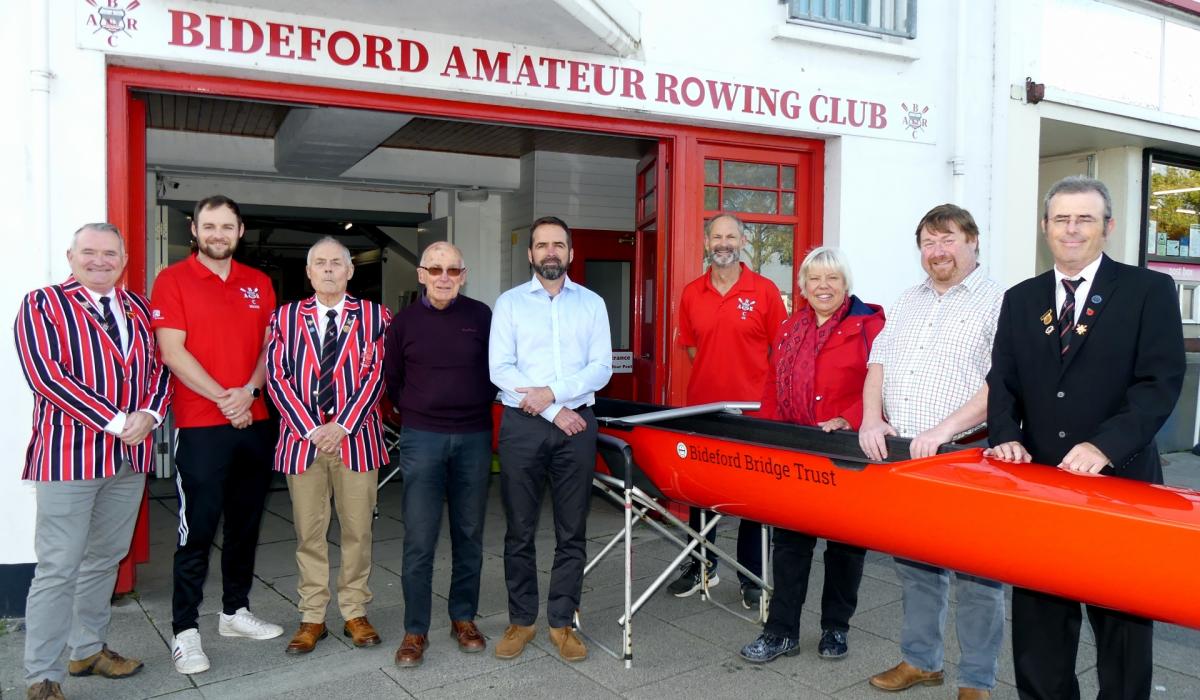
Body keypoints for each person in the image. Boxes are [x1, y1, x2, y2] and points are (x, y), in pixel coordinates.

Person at [986, 176, 1184, 700]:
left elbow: (1160, 382)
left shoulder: (1148, 291)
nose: (1071, 230)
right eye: (1061, 219)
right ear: (1045, 227)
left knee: (1121, 624)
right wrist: (1005, 434)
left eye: (1085, 219)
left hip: (1120, 481)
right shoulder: (1020, 298)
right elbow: (1001, 380)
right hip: (1041, 486)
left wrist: (1105, 445)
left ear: (1107, 227)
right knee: (1040, 622)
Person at [15, 223, 171, 700]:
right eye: (90, 252)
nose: (100, 261)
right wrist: (117, 420)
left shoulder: (141, 308)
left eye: (110, 254)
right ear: (71, 255)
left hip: (129, 458)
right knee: (59, 567)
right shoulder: (43, 304)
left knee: (105, 559)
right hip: (68, 456)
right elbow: (46, 375)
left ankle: (87, 649)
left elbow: (162, 368)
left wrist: (150, 413)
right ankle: (42, 674)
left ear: (124, 259)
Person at [858, 204, 1005, 700]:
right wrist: (871, 417)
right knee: (916, 568)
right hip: (906, 457)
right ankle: (922, 662)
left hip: (966, 455)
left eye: (948, 239)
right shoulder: (907, 300)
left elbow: (1001, 384)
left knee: (977, 577)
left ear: (973, 241)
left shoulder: (1000, 302)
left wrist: (944, 430)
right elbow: (877, 365)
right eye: (928, 241)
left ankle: (976, 681)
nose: (937, 250)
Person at [151, 195, 283, 675]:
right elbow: (172, 352)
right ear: (194, 230)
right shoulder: (172, 280)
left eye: (227, 226)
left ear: (240, 231)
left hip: (255, 419)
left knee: (246, 524)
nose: (218, 234)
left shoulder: (259, 283)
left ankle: (234, 612)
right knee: (197, 530)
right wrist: (227, 399)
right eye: (210, 226)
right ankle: (185, 631)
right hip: (202, 424)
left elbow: (271, 348)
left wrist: (248, 392)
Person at [739, 247, 883, 664]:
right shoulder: (789, 327)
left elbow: (885, 382)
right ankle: (781, 631)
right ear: (802, 286)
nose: (823, 286)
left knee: (845, 547)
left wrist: (849, 417)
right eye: (814, 279)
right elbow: (772, 384)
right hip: (796, 451)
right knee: (789, 545)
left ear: (846, 285)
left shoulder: (870, 325)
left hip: (846, 451)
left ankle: (835, 628)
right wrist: (765, 432)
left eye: (832, 278)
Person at [488, 216, 612, 662]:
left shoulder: (592, 304)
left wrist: (557, 399)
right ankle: (521, 621)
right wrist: (555, 409)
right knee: (519, 529)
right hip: (525, 426)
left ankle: (563, 621)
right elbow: (500, 369)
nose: (550, 252)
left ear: (571, 253)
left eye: (558, 244)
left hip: (577, 428)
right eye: (542, 245)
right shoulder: (510, 304)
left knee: (572, 530)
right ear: (530, 254)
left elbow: (601, 368)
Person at [265, 237, 391, 656]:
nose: (329, 269)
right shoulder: (284, 317)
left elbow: (377, 376)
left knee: (358, 531)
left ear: (350, 271)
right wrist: (312, 428)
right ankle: (312, 616)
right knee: (309, 534)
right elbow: (277, 376)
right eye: (320, 263)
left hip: (357, 441)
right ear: (308, 272)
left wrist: (341, 426)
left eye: (337, 263)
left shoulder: (376, 316)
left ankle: (355, 610)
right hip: (303, 443)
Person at [384, 241, 495, 667]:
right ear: (421, 274)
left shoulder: (482, 316)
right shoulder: (404, 323)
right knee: (419, 538)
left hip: (473, 436)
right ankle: (416, 630)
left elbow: (496, 368)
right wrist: (419, 410)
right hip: (423, 438)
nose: (443, 277)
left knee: (469, 534)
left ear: (463, 274)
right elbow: (392, 380)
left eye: (452, 270)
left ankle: (463, 617)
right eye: (435, 269)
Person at [670, 213, 787, 608]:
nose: (724, 243)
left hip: (754, 413)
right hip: (704, 412)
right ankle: (700, 565)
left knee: (752, 498)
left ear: (743, 242)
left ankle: (751, 575)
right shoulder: (691, 293)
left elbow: (781, 352)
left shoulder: (766, 291)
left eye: (731, 236)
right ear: (707, 243)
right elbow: (690, 347)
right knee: (702, 494)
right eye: (716, 236)